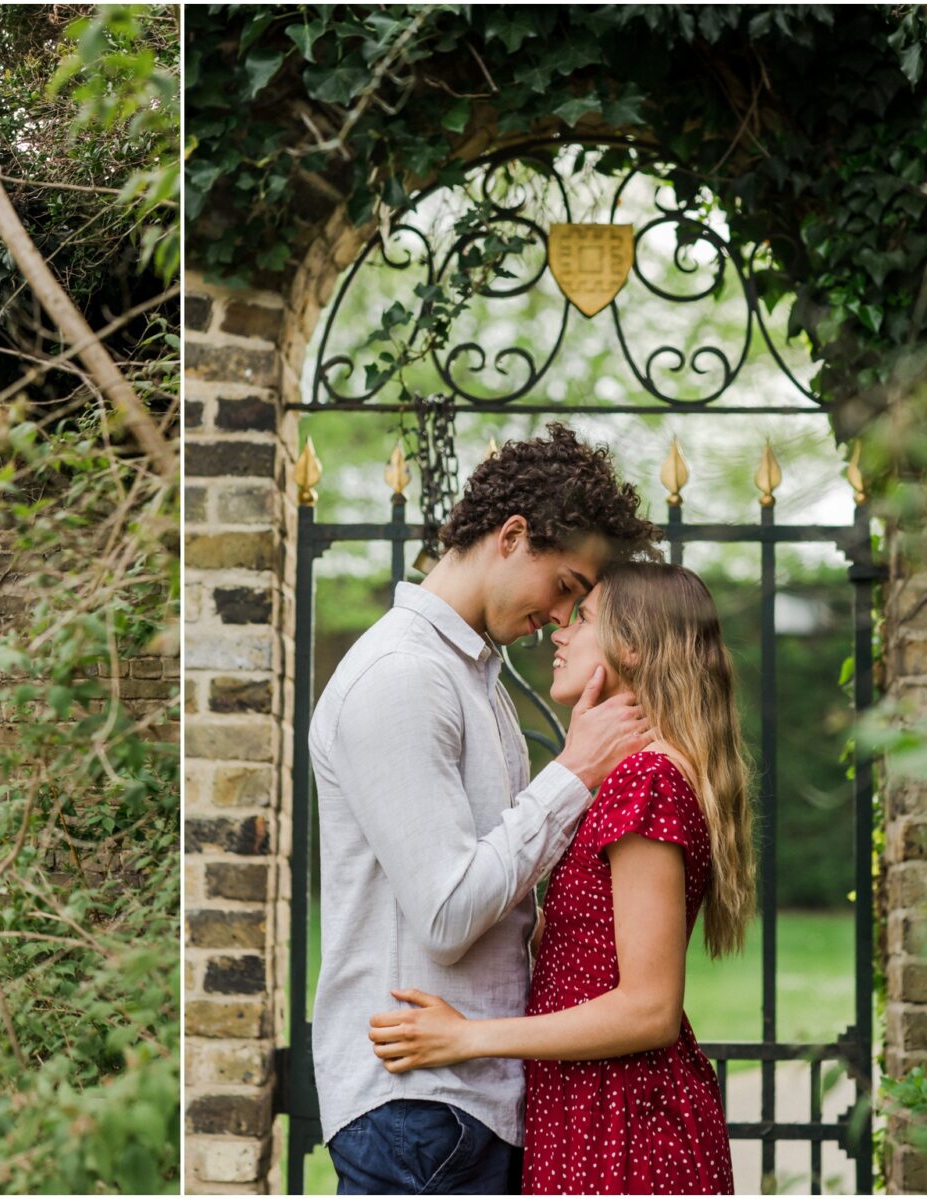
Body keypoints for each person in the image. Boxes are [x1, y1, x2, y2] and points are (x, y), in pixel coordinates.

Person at [309, 424, 661, 1195]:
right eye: (564, 586)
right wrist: (573, 771)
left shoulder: (473, 679)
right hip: (418, 1110)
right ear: (511, 536)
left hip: (458, 1103)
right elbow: (444, 911)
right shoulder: (403, 676)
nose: (560, 618)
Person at [368, 562, 753, 1195]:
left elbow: (649, 1008)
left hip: (624, 1126)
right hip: (591, 1112)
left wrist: (467, 1038)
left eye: (585, 618)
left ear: (633, 645)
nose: (560, 632)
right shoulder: (627, 778)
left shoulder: (646, 782)